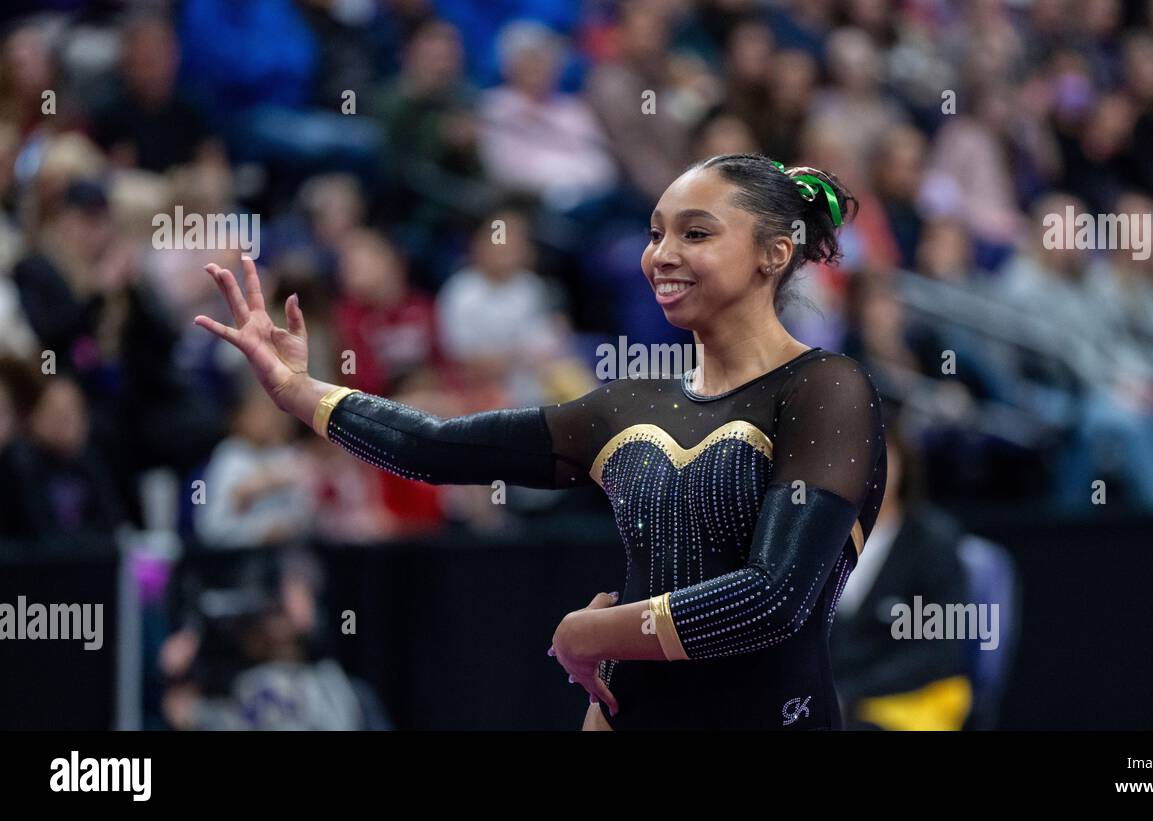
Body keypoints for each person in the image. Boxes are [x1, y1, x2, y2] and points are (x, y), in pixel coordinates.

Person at [195, 153, 887, 730]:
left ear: (775, 252)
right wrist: (299, 390)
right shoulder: (630, 406)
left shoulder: (825, 389)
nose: (661, 256)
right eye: (654, 234)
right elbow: (440, 446)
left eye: (696, 234)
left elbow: (773, 598)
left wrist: (591, 634)